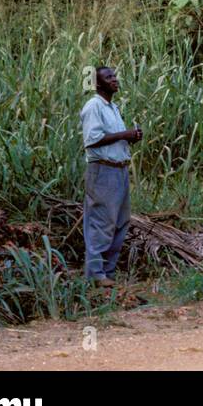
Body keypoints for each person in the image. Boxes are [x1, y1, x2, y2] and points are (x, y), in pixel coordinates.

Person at [79, 66, 143, 287]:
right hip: (103, 171)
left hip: (119, 170)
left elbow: (112, 138)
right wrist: (125, 134)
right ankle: (95, 274)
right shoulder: (93, 106)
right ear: (97, 84)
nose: (115, 80)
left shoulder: (112, 107)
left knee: (120, 223)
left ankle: (108, 272)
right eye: (109, 77)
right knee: (101, 222)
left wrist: (131, 137)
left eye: (115, 76)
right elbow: (93, 139)